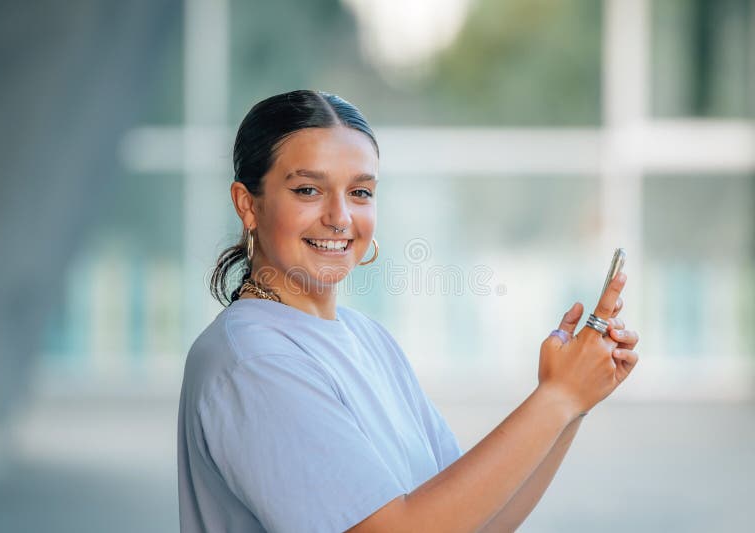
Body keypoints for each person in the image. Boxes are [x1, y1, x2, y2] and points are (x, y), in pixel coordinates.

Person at [176, 89, 640, 533]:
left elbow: (478, 520)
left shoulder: (368, 339)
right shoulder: (252, 363)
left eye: (360, 192)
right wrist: (556, 397)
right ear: (248, 205)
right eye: (307, 190)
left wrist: (570, 402)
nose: (340, 217)